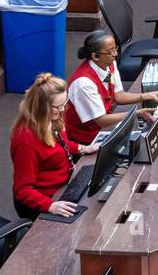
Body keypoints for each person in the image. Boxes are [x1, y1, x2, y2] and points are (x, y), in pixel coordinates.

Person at [10, 73, 100, 220]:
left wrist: (83, 148)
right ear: (42, 107)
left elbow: (61, 146)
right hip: (42, 202)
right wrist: (50, 206)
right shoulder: (25, 142)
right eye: (58, 106)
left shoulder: (51, 120)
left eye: (65, 103)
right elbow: (23, 190)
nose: (63, 109)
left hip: (63, 188)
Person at [63, 31, 158, 145]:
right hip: (83, 139)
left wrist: (145, 96)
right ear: (95, 56)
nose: (115, 54)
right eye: (110, 51)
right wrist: (136, 113)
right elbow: (101, 120)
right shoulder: (83, 84)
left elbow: (119, 96)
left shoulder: (109, 63)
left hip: (102, 130)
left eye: (115, 48)